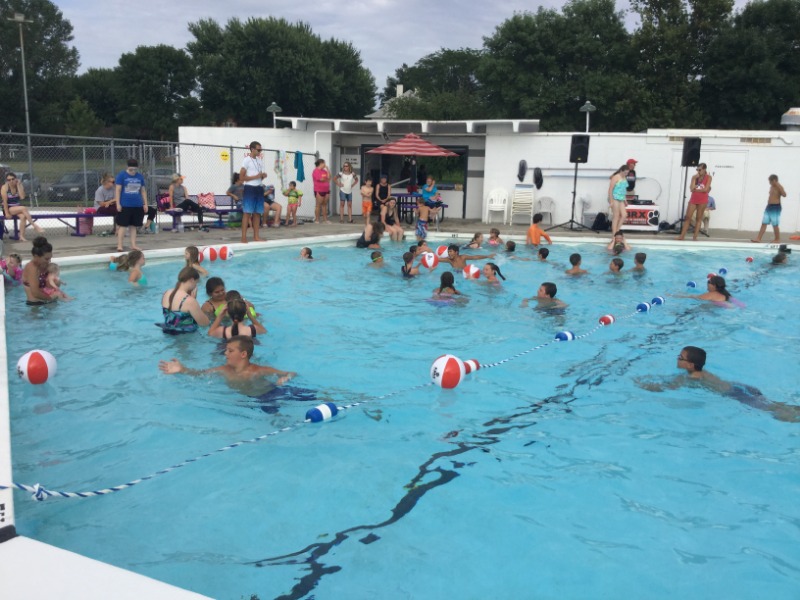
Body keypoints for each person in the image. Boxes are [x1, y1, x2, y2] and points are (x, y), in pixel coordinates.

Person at [637, 346, 800, 423]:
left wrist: (641, 384)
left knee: (775, 412)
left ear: (690, 365)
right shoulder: (700, 373)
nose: (677, 358)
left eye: (680, 357)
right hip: (742, 387)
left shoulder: (690, 377)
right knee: (774, 404)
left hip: (737, 394)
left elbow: (664, 388)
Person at [159, 335, 296, 393]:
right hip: (256, 400)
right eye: (226, 350)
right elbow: (200, 374)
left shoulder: (259, 370)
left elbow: (291, 373)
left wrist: (285, 378)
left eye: (230, 351)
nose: (225, 353)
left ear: (243, 354)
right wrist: (182, 369)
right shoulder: (224, 370)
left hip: (270, 393)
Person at [159, 266, 210, 334]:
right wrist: (194, 300)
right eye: (196, 283)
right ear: (192, 280)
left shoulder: (166, 293)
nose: (195, 286)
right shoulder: (189, 301)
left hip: (167, 332)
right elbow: (204, 324)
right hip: (185, 338)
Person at [114, 158, 147, 252]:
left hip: (137, 204)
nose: (133, 172)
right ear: (127, 168)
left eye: (134, 170)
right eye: (131, 170)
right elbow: (118, 190)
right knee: (123, 225)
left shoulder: (140, 177)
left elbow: (143, 191)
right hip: (125, 204)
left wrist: (145, 204)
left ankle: (133, 245)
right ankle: (120, 245)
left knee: (133, 226)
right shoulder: (121, 175)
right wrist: (118, 204)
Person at [2, 171, 44, 242]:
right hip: (8, 208)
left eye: (12, 179)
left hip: (17, 208)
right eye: (9, 180)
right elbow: (5, 202)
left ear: (16, 179)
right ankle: (34, 226)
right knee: (24, 208)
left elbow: (22, 197)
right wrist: (7, 213)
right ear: (7, 181)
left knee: (23, 217)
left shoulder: (19, 185)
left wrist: (18, 185)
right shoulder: (5, 188)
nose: (11, 181)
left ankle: (21, 236)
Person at [239, 141, 267, 243]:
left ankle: (256, 237)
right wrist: (256, 176)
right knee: (247, 213)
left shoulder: (260, 161)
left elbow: (259, 178)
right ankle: (243, 238)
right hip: (250, 188)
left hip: (259, 188)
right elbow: (241, 177)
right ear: (252, 149)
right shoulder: (246, 160)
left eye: (261, 150)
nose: (260, 151)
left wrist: (262, 177)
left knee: (257, 213)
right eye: (259, 149)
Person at [678, 163, 712, 241]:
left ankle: (695, 237)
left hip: (702, 200)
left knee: (698, 218)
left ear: (704, 169)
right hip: (693, 199)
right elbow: (691, 188)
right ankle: (682, 236)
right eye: (697, 169)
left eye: (699, 170)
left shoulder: (708, 177)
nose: (698, 171)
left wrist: (695, 189)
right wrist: (693, 180)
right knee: (687, 217)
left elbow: (706, 189)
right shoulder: (694, 177)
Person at [751, 174, 787, 243]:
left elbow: (784, 195)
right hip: (769, 207)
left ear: (774, 180)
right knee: (764, 223)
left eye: (770, 181)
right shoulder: (771, 187)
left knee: (775, 224)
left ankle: (777, 239)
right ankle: (758, 238)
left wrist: (778, 185)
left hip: (775, 207)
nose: (769, 183)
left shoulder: (779, 186)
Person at [22, 237, 55, 305]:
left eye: (50, 258)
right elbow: (35, 293)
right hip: (35, 305)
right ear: (36, 256)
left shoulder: (43, 265)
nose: (49, 261)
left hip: (45, 301)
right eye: (46, 259)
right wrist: (52, 298)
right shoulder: (31, 268)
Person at [607, 164, 630, 235]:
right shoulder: (616, 177)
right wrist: (611, 201)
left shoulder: (624, 178)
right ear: (621, 171)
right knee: (616, 216)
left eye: (627, 173)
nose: (626, 174)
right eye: (625, 172)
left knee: (624, 215)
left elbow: (623, 190)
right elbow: (610, 189)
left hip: (621, 199)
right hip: (614, 198)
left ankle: (617, 231)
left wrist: (625, 200)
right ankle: (614, 234)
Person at [312, 158, 331, 224]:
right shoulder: (316, 171)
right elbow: (321, 179)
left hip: (326, 190)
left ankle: (325, 219)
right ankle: (317, 219)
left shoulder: (324, 171)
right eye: (324, 163)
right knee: (318, 205)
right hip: (319, 190)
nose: (325, 165)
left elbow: (329, 177)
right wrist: (326, 179)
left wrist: (328, 170)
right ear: (321, 163)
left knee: (325, 204)